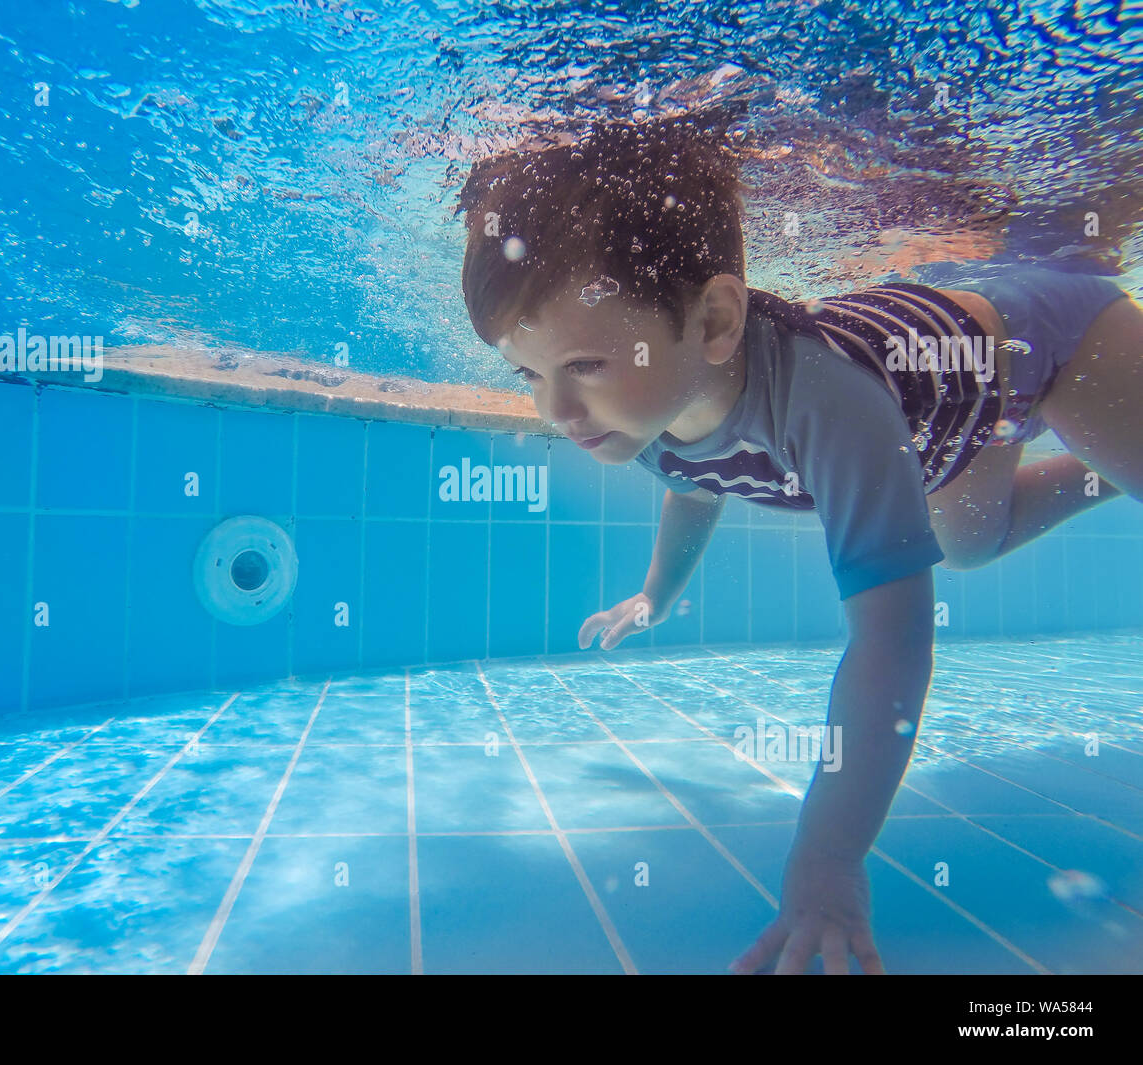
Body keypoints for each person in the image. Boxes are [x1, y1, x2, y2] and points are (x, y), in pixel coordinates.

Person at [455, 110, 1142, 974]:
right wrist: (657, 593)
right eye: (530, 373)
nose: (553, 411)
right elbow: (694, 486)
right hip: (954, 431)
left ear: (711, 321)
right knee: (972, 544)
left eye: (583, 365)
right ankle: (1107, 464)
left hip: (1055, 343)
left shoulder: (826, 403)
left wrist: (829, 856)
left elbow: (891, 642)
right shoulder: (647, 413)